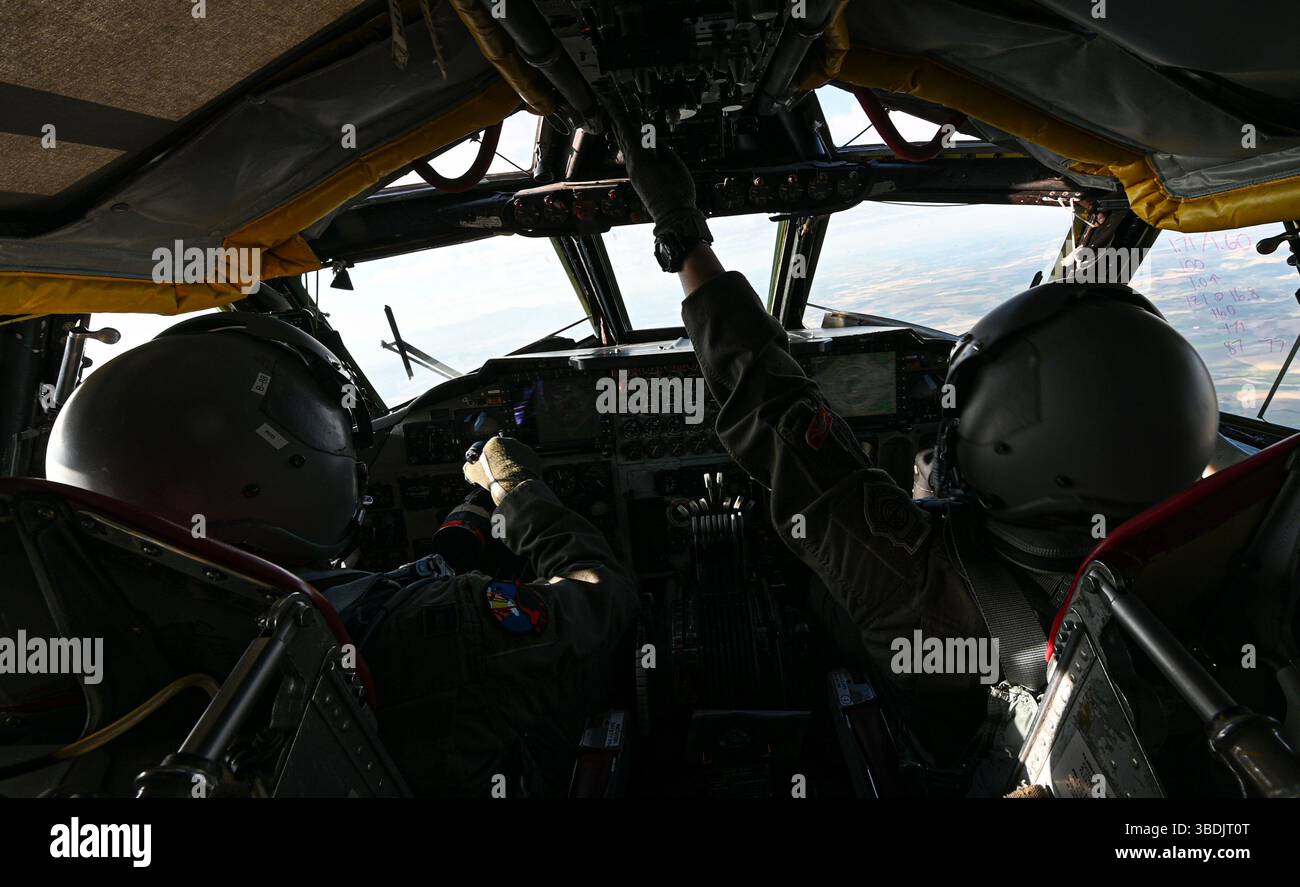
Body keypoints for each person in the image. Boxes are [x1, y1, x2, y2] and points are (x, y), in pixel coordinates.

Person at [607, 110, 1220, 792]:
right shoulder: (1206, 561)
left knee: (822, 594)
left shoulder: (915, 579)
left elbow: (771, 406)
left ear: (1008, 446)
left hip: (921, 757)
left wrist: (679, 225)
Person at [44, 312, 638, 797]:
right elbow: (603, 596)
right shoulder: (438, 627)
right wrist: (516, 489)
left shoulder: (97, 646)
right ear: (298, 467)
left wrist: (468, 521)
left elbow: (401, 591)